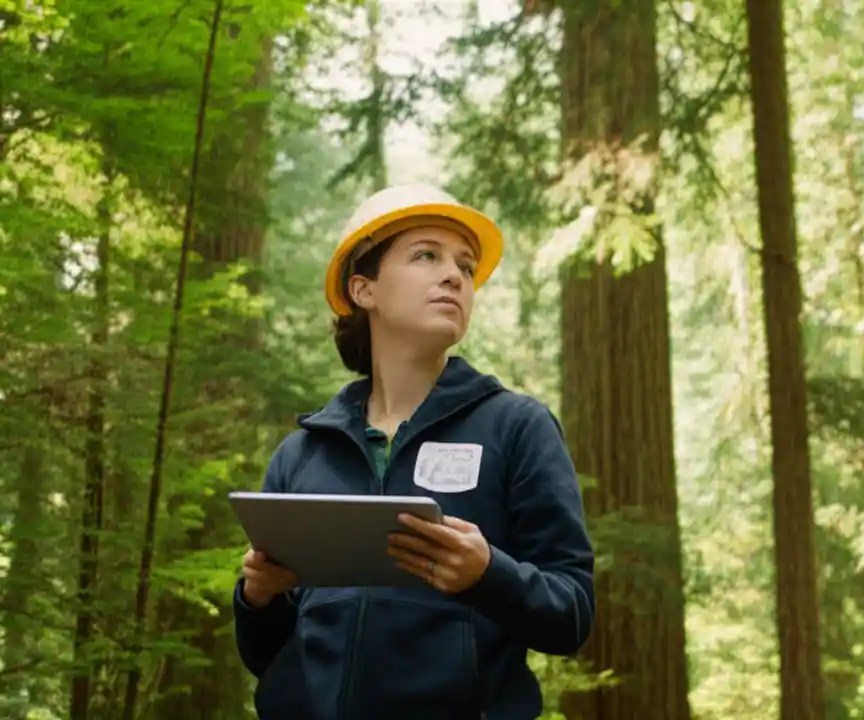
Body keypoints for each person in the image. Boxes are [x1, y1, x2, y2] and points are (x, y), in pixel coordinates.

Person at [232, 184, 595, 720]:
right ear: (364, 289)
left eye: (466, 267)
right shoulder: (301, 455)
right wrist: (258, 598)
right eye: (426, 255)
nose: (454, 276)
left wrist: (489, 573)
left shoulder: (517, 427)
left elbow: (573, 615)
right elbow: (266, 655)